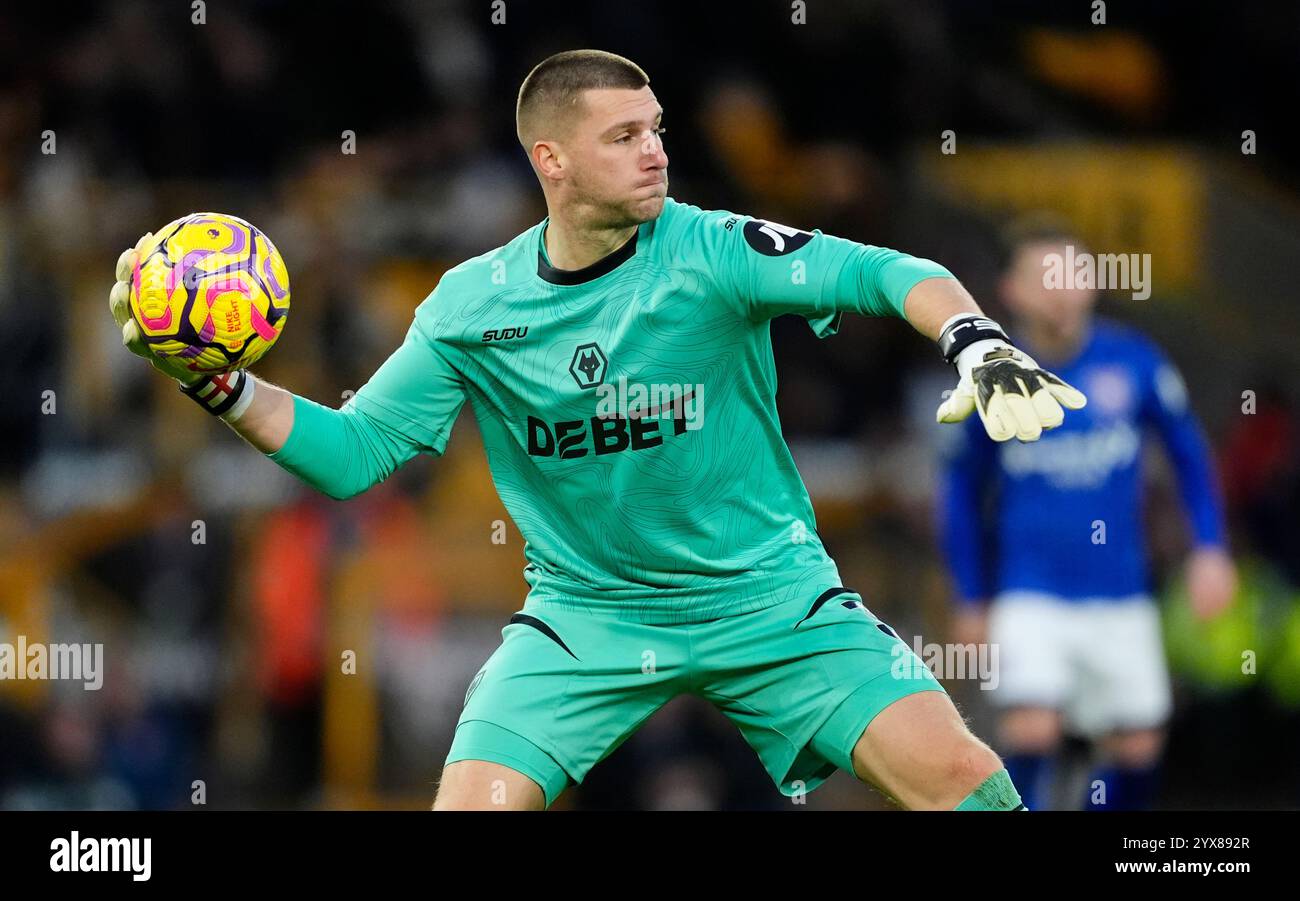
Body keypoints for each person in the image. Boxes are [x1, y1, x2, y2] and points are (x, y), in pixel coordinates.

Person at [109, 50, 1085, 811]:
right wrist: (224, 387)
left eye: (656, 129)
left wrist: (973, 339)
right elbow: (355, 452)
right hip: (586, 619)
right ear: (553, 160)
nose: (657, 150)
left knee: (961, 777)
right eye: (624, 136)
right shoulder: (469, 306)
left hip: (768, 597)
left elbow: (883, 271)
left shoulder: (711, 250)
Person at [938, 217, 1237, 810]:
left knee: (1138, 744)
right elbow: (958, 488)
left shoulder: (1134, 362)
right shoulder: (993, 373)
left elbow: (1189, 455)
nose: (1061, 287)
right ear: (1012, 291)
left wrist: (1210, 547)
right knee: (1032, 727)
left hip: (1121, 588)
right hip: (1032, 589)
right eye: (1044, 275)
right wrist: (971, 593)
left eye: (1074, 272)